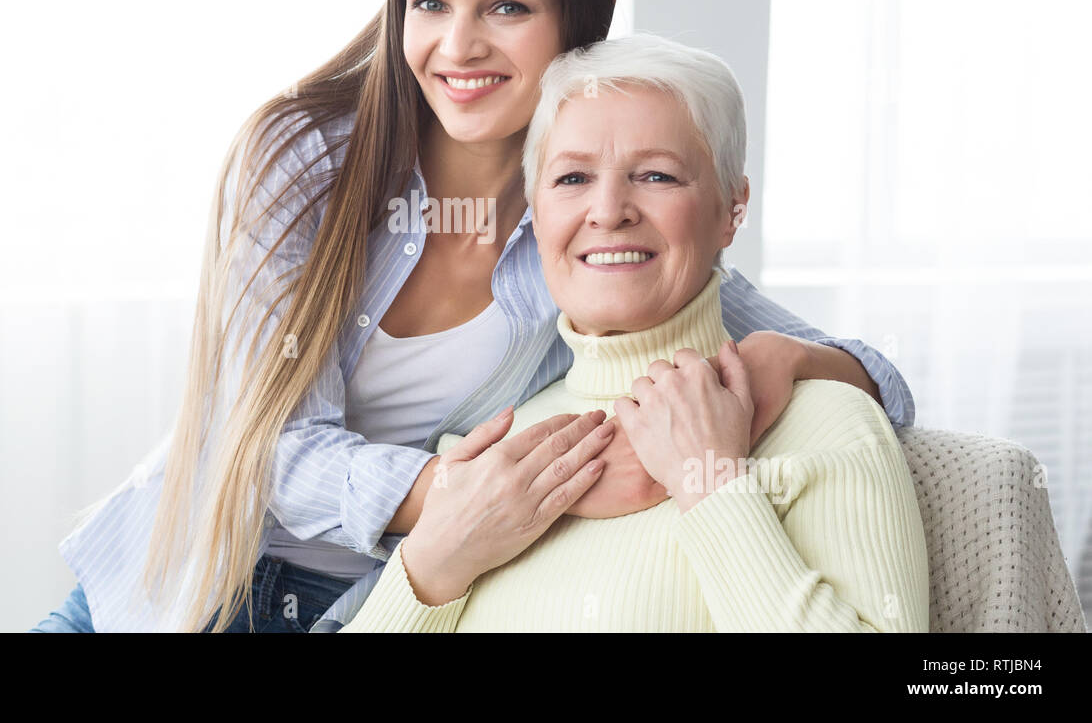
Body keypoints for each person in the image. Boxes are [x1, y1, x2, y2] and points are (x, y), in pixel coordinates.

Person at [31, 0, 915, 634]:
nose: (458, 47)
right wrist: (469, 496)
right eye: (430, 3)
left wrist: (782, 360)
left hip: (362, 608)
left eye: (506, 8)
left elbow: (884, 382)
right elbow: (259, 444)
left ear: (583, 15)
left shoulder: (580, 225)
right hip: (180, 592)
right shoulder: (303, 159)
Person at [338, 34, 930, 632]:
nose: (609, 209)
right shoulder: (495, 446)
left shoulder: (827, 424)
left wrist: (713, 484)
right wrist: (434, 564)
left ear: (732, 207)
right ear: (536, 217)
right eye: (571, 179)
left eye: (655, 175)